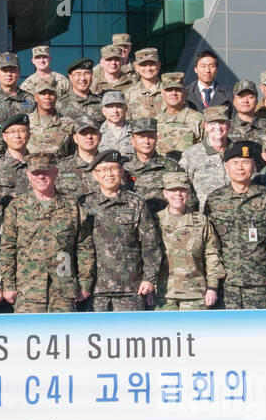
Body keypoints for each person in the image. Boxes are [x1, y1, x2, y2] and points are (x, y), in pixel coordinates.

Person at [0, 153, 93, 313]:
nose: (41, 176)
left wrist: (85, 283)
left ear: (55, 173)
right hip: (28, 290)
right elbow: (7, 248)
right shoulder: (17, 207)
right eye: (35, 173)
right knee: (27, 335)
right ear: (28, 175)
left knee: (64, 335)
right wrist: (8, 285)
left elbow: (84, 247)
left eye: (46, 172)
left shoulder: (71, 205)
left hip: (63, 289)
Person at [204, 141, 266, 309]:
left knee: (258, 331)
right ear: (226, 168)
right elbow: (207, 242)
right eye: (234, 163)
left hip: (259, 282)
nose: (240, 167)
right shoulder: (214, 200)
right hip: (225, 283)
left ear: (254, 167)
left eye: (245, 162)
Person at [79, 151, 161, 311]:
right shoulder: (84, 204)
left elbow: (151, 244)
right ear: (95, 175)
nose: (108, 174)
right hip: (93, 290)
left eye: (113, 169)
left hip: (130, 289)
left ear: (122, 172)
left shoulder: (136, 203)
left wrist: (149, 278)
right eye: (103, 170)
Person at [156, 172, 222, 310]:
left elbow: (212, 254)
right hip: (164, 295)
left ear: (190, 193)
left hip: (196, 295)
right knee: (165, 332)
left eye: (183, 190)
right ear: (165, 193)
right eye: (173, 190)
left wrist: (212, 287)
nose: (178, 194)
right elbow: (148, 256)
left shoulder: (200, 221)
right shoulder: (156, 220)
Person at [124, 118, 190, 215]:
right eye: (141, 137)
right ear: (132, 140)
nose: (146, 141)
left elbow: (187, 198)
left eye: (150, 137)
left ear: (156, 138)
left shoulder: (171, 166)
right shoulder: (123, 167)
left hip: (165, 223)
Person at [179, 105, 232, 210]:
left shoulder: (239, 153)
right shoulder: (191, 154)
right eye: (212, 123)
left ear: (229, 125)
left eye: (222, 122)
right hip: (206, 217)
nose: (217, 127)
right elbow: (182, 188)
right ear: (205, 126)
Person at [0, 114, 31, 210]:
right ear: (4, 137)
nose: (17, 136)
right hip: (2, 223)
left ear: (29, 134)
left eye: (22, 131)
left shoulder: (39, 166)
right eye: (12, 132)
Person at [156, 72, 204, 156]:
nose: (173, 93)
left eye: (178, 90)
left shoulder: (198, 120)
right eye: (169, 90)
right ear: (162, 94)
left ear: (185, 93)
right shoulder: (155, 120)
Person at [26, 76, 75, 156]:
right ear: (35, 97)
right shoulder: (25, 123)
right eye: (43, 93)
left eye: (51, 93)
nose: (47, 97)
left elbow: (73, 155)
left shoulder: (68, 124)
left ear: (56, 96)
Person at [56, 117, 103, 199]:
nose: (89, 136)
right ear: (75, 138)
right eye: (83, 133)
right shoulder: (61, 167)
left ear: (100, 136)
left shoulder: (109, 166)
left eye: (93, 132)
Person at [0, 52, 34, 124]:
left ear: (19, 72)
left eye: (12, 70)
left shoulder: (30, 99)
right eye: (4, 70)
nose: (9, 74)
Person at [124, 47, 164, 119]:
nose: (148, 68)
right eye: (143, 64)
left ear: (159, 65)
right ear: (136, 67)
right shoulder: (128, 94)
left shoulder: (169, 91)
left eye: (152, 64)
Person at [59, 58, 102, 123]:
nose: (83, 78)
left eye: (87, 73)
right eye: (78, 74)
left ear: (92, 75)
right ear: (70, 77)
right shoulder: (59, 105)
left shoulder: (102, 103)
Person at [99, 91, 133, 158]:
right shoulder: (96, 133)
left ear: (125, 109)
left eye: (119, 106)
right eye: (110, 107)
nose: (115, 111)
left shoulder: (136, 132)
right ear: (103, 111)